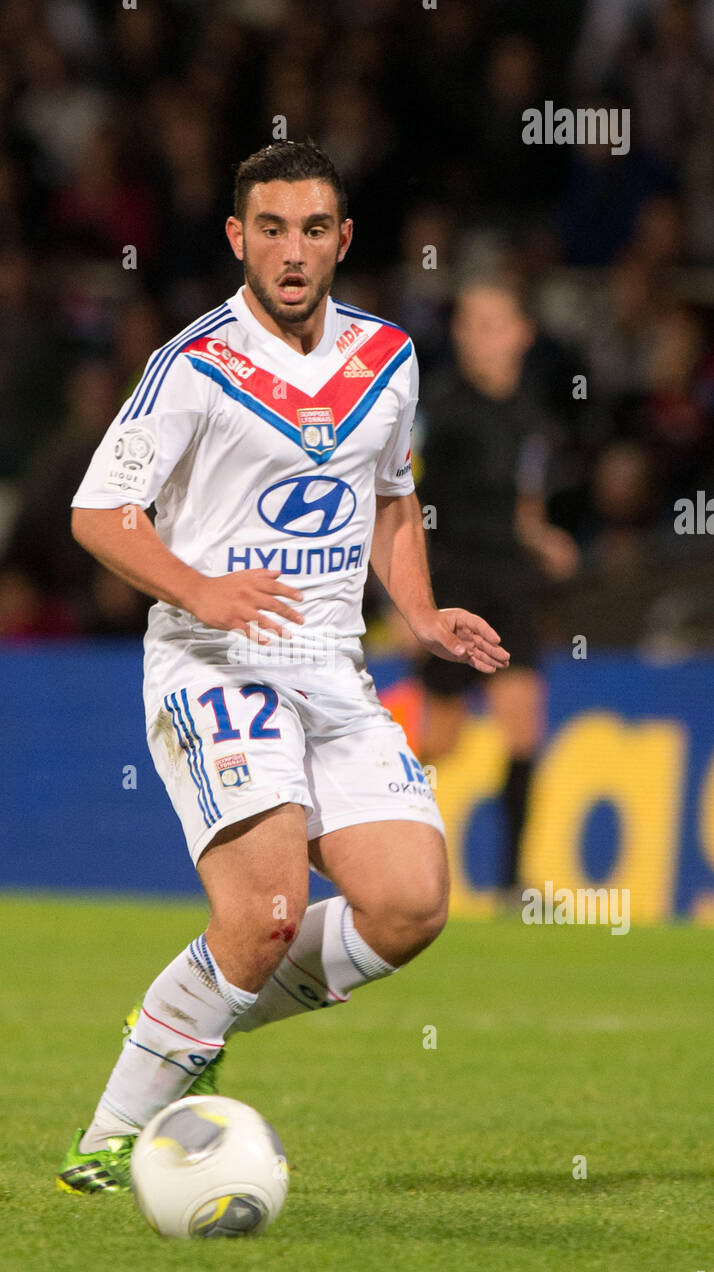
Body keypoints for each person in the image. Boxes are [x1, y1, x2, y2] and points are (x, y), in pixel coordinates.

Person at [58, 140, 508, 1194]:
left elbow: (390, 499)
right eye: (270, 228)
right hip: (214, 663)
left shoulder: (387, 357)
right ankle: (110, 1131)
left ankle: (193, 1013)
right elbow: (97, 514)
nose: (292, 251)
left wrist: (423, 610)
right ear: (236, 238)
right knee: (259, 917)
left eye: (313, 229)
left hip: (331, 667)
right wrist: (196, 587)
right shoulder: (192, 365)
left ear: (343, 238)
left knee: (409, 904)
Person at [413, 275, 579, 899]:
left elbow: (525, 507)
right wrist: (415, 603)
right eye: (467, 324)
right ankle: (370, 822)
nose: (474, 337)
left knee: (523, 727)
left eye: (490, 324)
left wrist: (545, 540)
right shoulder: (441, 410)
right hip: (454, 581)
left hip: (509, 580)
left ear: (521, 334)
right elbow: (406, 504)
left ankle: (511, 883)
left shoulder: (532, 414)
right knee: (443, 739)